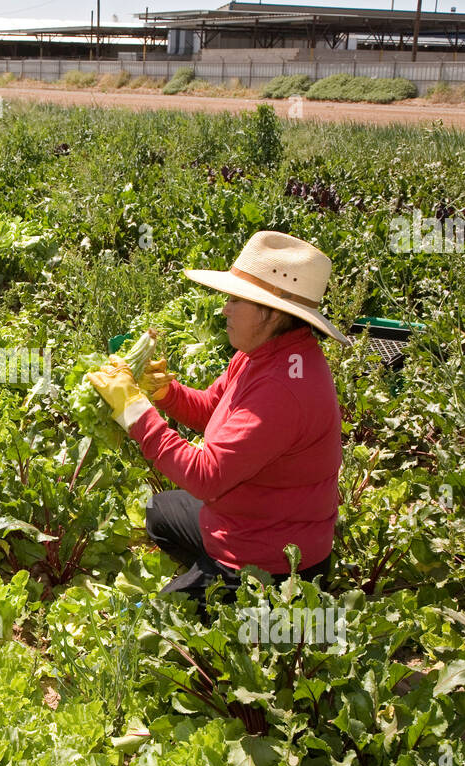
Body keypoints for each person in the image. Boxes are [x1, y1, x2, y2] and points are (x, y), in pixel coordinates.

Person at [87, 231, 351, 617]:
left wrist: (132, 410)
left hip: (274, 563)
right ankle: (206, 576)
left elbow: (205, 476)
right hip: (252, 520)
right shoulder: (266, 354)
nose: (224, 309)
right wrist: (164, 394)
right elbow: (213, 407)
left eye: (234, 300)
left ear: (271, 311)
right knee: (161, 511)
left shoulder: (283, 389)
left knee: (152, 622)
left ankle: (238, 593)